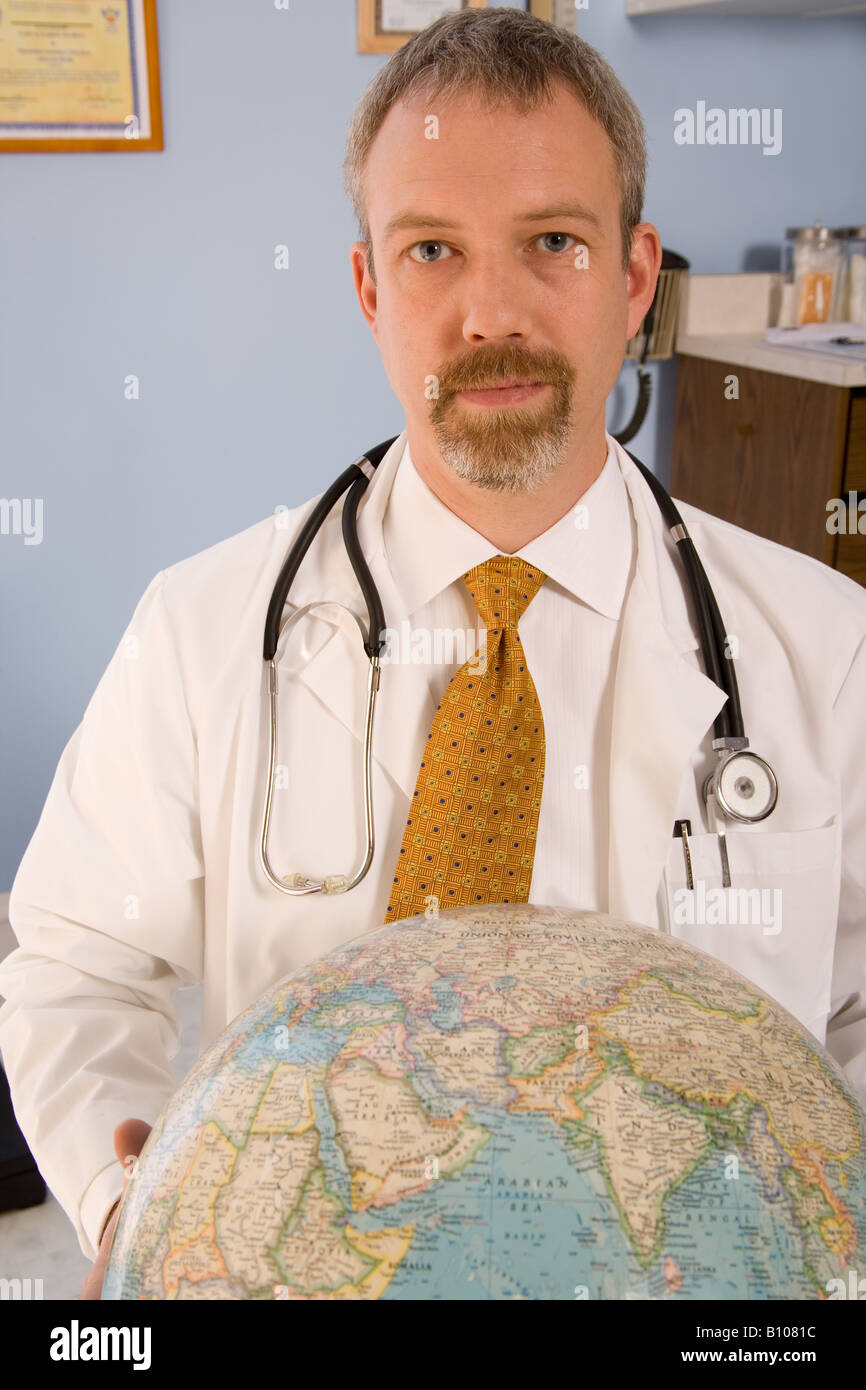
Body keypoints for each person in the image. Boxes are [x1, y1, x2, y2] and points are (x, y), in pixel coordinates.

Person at [1, 9, 864, 1300]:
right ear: (367, 287)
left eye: (552, 243)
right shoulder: (199, 631)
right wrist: (137, 1203)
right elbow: (72, 960)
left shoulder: (824, 649)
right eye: (431, 253)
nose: (490, 312)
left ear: (632, 280)